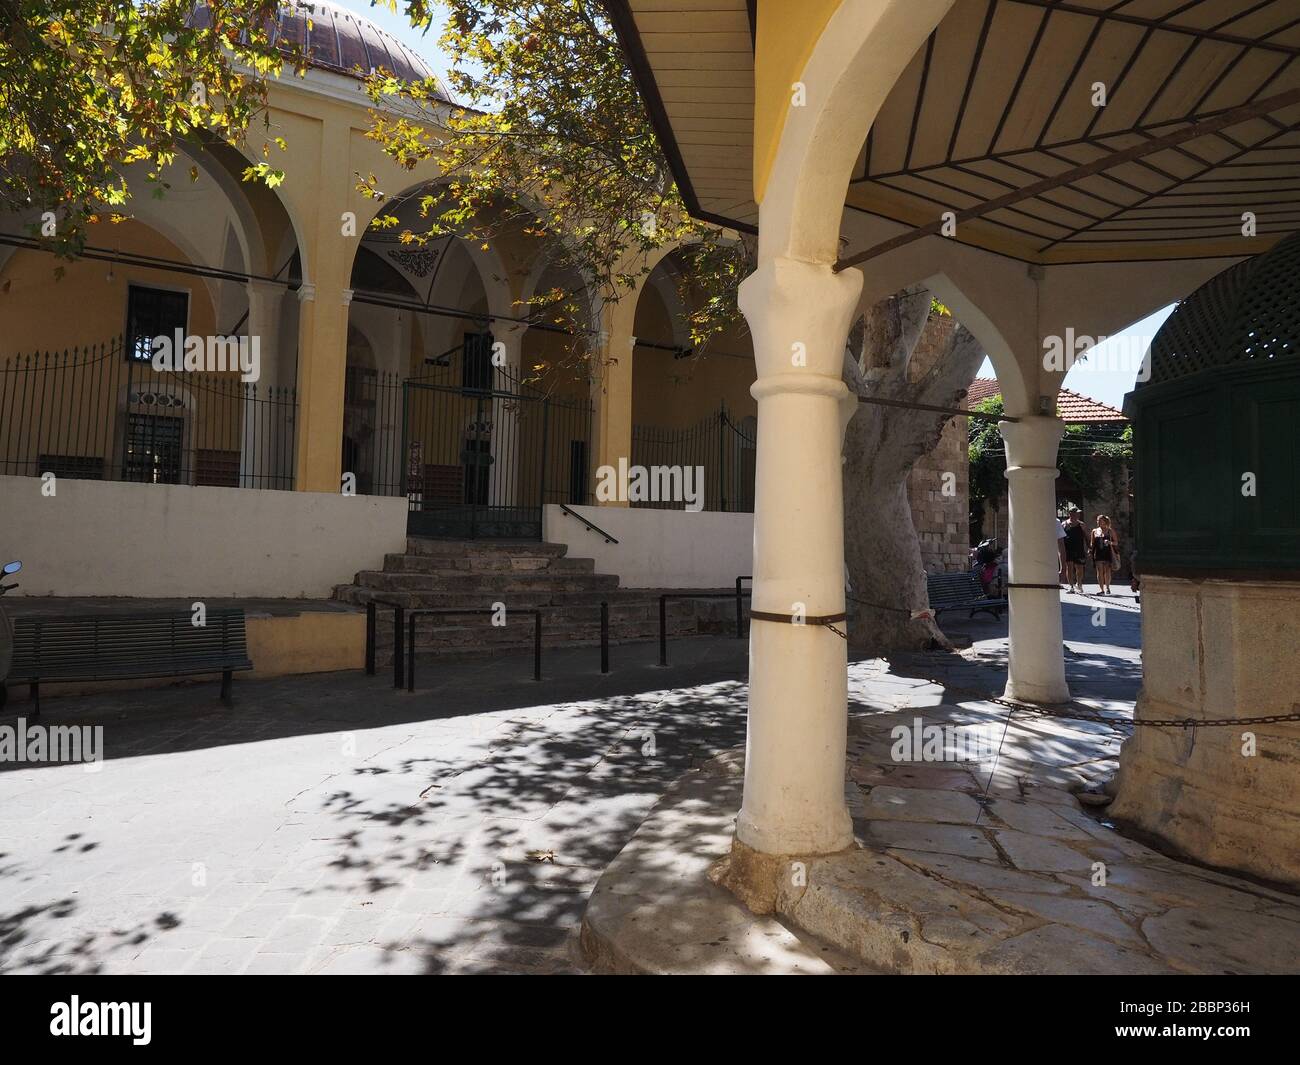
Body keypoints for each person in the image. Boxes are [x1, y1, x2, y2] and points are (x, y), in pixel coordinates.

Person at [1090, 514, 1120, 595]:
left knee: (1107, 571)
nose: (1099, 522)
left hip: (1108, 553)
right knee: (1099, 571)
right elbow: (1092, 543)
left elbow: (1116, 542)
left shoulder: (1110, 531)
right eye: (1097, 521)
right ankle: (1101, 589)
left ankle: (1107, 587)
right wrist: (1090, 550)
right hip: (1098, 553)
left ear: (1105, 521)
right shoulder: (1094, 531)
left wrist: (1110, 542)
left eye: (1100, 520)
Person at [1061, 507, 1088, 593]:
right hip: (1068, 549)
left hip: (1079, 548)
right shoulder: (1064, 524)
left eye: (1079, 513)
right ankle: (1071, 586)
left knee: (1079, 568)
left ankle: (1079, 585)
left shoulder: (1082, 524)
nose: (1078, 515)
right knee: (1069, 567)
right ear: (1071, 514)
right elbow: (1060, 538)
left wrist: (1090, 547)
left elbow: (1087, 536)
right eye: (1077, 513)